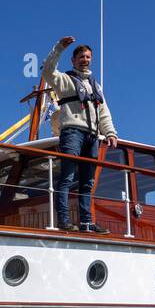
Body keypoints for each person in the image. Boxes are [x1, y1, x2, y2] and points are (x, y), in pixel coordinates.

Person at [42, 35, 118, 232]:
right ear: (73, 60)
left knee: (87, 182)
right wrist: (59, 47)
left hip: (93, 137)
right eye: (81, 57)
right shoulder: (65, 80)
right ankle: (64, 221)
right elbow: (47, 71)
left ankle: (86, 222)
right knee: (67, 177)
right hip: (72, 133)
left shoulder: (96, 85)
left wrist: (110, 133)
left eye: (88, 57)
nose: (85, 60)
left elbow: (104, 112)